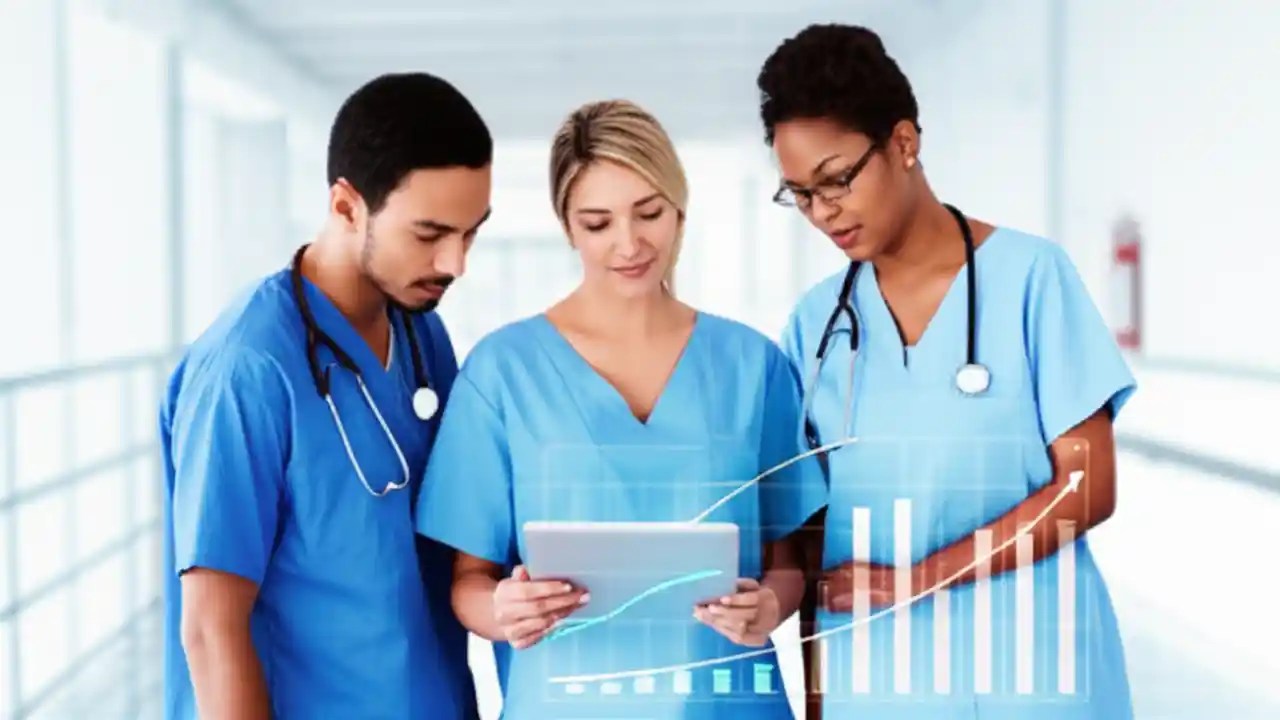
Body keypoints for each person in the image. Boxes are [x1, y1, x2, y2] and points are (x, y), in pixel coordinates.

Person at [758, 24, 1137, 720]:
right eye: (801, 193)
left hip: (1032, 673)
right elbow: (812, 538)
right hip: (875, 683)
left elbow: (1087, 486)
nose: (823, 211)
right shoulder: (815, 327)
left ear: (903, 142)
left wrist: (920, 579)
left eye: (837, 179)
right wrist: (816, 700)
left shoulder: (1031, 279)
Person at [414, 99, 827, 719]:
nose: (629, 244)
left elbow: (785, 564)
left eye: (649, 213)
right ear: (567, 227)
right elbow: (469, 582)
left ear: (679, 207)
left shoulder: (751, 365)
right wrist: (503, 610)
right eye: (597, 223)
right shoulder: (503, 371)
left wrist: (768, 606)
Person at [158, 72, 493, 720]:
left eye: (471, 232)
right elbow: (210, 628)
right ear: (346, 206)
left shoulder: (422, 333)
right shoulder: (247, 369)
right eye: (429, 235)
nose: (455, 263)